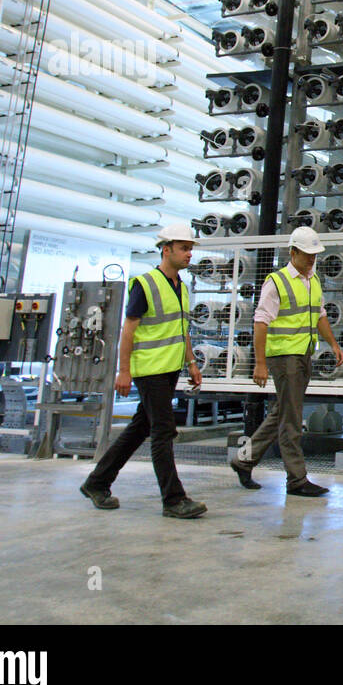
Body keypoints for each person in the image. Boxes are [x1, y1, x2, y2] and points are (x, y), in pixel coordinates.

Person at [81, 222, 208, 519]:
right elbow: (128, 331)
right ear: (167, 250)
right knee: (163, 431)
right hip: (149, 370)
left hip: (169, 369)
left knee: (141, 427)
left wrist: (191, 362)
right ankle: (173, 500)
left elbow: (181, 329)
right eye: (184, 248)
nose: (189, 254)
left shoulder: (181, 287)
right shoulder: (145, 284)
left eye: (190, 248)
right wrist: (123, 371)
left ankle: (97, 483)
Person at [231, 226, 343, 496]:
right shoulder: (277, 282)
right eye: (307, 254)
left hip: (303, 354)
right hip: (284, 358)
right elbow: (260, 322)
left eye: (315, 255)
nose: (311, 260)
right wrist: (259, 363)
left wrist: (333, 343)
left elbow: (319, 315)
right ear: (292, 252)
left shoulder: (312, 280)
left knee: (282, 413)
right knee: (291, 421)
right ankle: (297, 480)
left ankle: (243, 460)